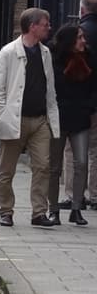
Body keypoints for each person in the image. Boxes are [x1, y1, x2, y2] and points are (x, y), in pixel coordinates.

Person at [0, 7, 60, 228]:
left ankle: (39, 212)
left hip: (40, 120)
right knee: (7, 169)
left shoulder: (46, 53)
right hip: (15, 119)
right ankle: (6, 211)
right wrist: (3, 113)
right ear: (32, 26)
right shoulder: (8, 52)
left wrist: (51, 117)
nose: (49, 27)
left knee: (43, 166)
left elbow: (50, 89)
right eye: (45, 24)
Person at [48, 24, 94, 225]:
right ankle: (53, 210)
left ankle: (76, 208)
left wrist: (89, 107)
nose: (84, 41)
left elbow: (94, 88)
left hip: (80, 118)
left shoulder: (90, 58)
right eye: (80, 37)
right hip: (58, 118)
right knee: (54, 167)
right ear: (69, 41)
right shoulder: (53, 58)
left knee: (81, 163)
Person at [65, 0, 97, 210]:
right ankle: (95, 195)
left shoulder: (76, 34)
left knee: (73, 150)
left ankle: (74, 195)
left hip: (78, 102)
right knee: (95, 149)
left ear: (82, 10)